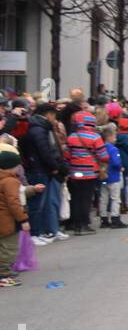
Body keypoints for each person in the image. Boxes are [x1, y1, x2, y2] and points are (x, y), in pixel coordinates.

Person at [19, 102, 66, 245]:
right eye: (54, 115)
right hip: (39, 169)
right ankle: (35, 233)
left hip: (39, 167)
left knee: (42, 202)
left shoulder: (38, 128)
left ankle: (40, 231)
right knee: (37, 203)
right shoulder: (39, 129)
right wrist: (54, 165)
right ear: (48, 114)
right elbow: (44, 150)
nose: (55, 119)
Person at [64, 110, 108, 236]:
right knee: (86, 198)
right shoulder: (95, 137)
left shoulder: (72, 136)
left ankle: (76, 224)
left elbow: (67, 155)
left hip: (74, 172)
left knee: (76, 198)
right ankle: (84, 224)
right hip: (90, 172)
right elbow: (103, 156)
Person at [0, 146, 31, 287]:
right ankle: (4, 275)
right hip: (7, 221)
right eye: (17, 165)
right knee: (9, 248)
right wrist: (23, 219)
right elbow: (14, 202)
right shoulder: (10, 181)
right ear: (9, 167)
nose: (19, 168)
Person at [97, 122, 128, 229]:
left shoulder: (100, 147)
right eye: (114, 136)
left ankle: (103, 218)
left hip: (103, 175)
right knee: (115, 198)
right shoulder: (113, 149)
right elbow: (116, 162)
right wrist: (120, 167)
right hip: (113, 176)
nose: (115, 138)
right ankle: (115, 218)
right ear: (109, 136)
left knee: (103, 198)